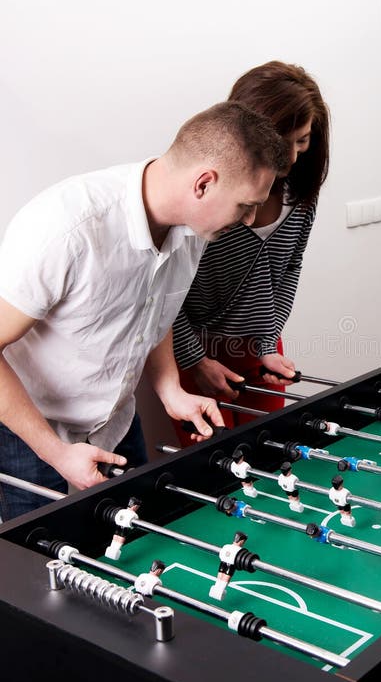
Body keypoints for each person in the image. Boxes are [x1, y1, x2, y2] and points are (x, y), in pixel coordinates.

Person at [0, 102, 287, 521]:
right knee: (41, 559)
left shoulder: (196, 228)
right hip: (31, 432)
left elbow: (155, 308)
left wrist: (170, 390)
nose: (249, 219)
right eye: (245, 205)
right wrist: (57, 453)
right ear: (203, 184)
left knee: (136, 543)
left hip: (116, 421)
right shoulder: (67, 228)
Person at [172, 61, 330, 435]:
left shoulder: (301, 197)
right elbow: (164, 291)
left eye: (302, 140)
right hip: (195, 350)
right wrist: (195, 360)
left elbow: (291, 267)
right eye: (282, 140)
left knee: (272, 452)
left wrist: (267, 344)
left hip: (262, 349)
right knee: (211, 461)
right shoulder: (205, 196)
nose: (292, 156)